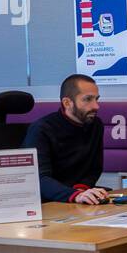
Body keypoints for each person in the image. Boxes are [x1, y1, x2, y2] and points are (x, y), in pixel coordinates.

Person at [23, 73, 107, 204]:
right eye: (88, 99)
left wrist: (82, 189)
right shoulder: (41, 129)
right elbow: (39, 178)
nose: (96, 106)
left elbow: (94, 168)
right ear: (67, 103)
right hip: (47, 202)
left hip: (78, 197)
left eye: (97, 99)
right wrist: (75, 195)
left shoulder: (95, 125)